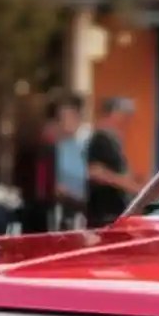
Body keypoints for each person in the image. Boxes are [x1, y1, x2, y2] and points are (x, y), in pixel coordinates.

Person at [86, 97, 145, 226]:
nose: (127, 120)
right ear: (113, 113)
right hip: (104, 214)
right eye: (124, 115)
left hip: (115, 212)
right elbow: (96, 172)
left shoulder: (114, 141)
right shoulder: (100, 139)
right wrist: (134, 188)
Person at [53, 93, 89, 228]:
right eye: (60, 118)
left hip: (87, 209)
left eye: (66, 117)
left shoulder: (90, 142)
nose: (62, 122)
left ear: (77, 116)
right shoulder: (60, 145)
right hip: (65, 209)